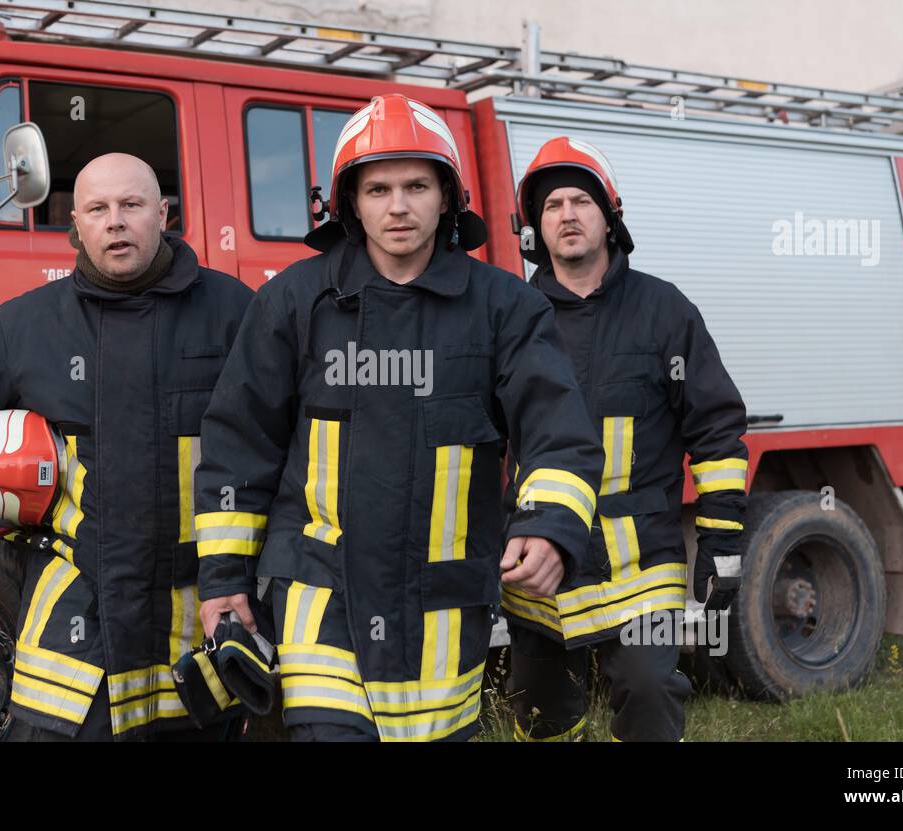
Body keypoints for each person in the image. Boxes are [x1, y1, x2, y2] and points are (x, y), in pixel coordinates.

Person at [192, 94, 603, 742]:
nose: (399, 205)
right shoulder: (295, 302)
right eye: (378, 187)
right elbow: (238, 447)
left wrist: (550, 525)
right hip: (321, 598)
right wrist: (221, 578)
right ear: (351, 202)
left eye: (417, 184)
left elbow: (558, 430)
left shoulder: (505, 308)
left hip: (441, 609)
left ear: (448, 196)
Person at [0, 153, 253, 740]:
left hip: (197, 616)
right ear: (76, 226)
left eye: (132, 205)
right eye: (98, 209)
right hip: (76, 618)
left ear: (162, 215)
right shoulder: (27, 326)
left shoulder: (234, 313)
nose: (116, 221)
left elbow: (275, 441)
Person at [504, 136, 749, 742]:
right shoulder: (512, 314)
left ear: (609, 215)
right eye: (553, 203)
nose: (567, 214)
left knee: (649, 692)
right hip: (542, 570)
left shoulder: (664, 311)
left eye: (581, 200)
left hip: (643, 566)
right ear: (535, 223)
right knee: (541, 716)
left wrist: (721, 544)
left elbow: (716, 430)